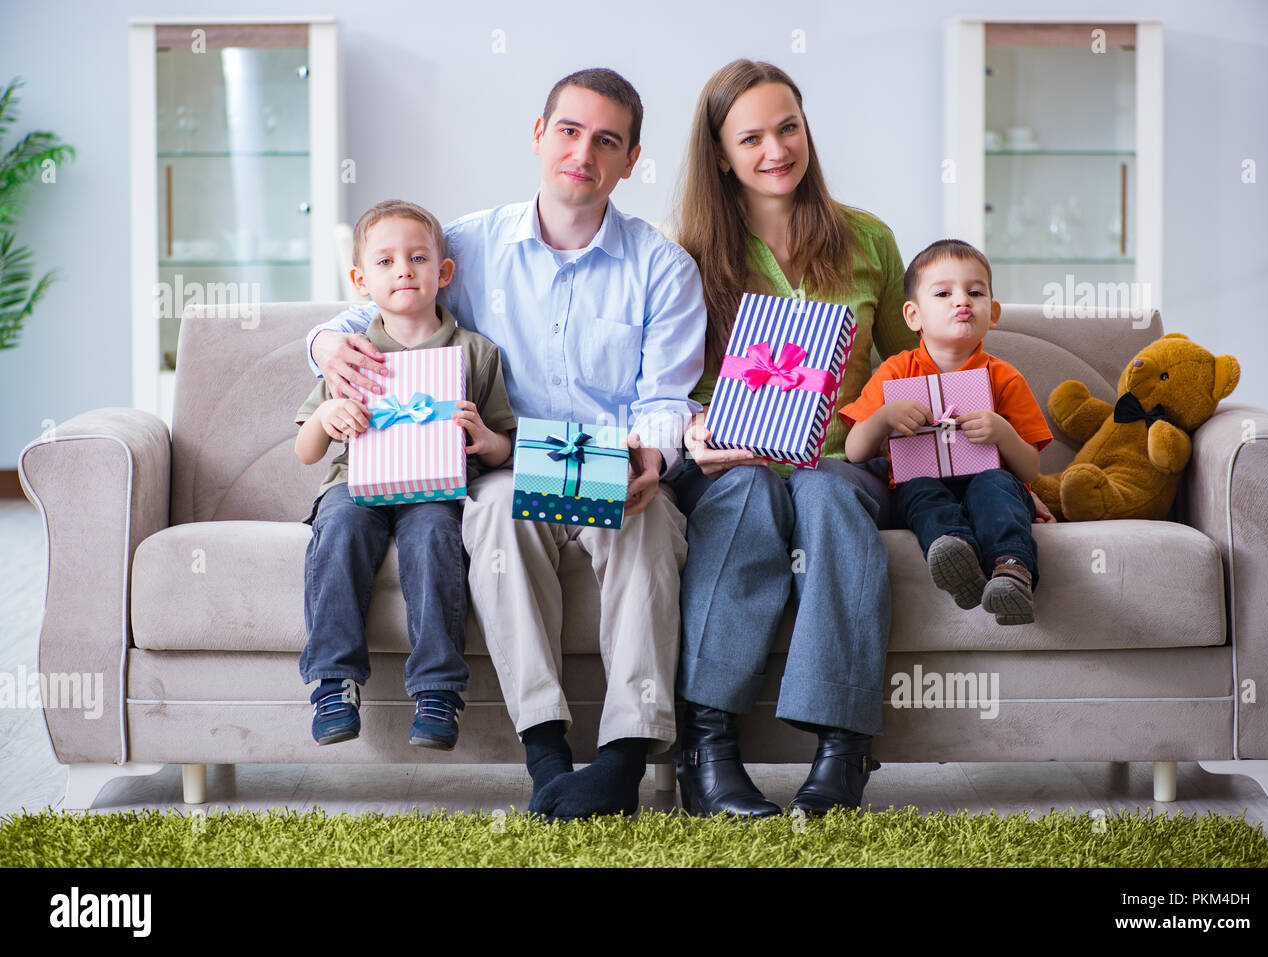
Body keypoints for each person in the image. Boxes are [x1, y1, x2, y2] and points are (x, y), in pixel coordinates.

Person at [305, 70, 705, 820]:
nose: (583, 152)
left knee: (649, 529)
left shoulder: (663, 268)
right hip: (509, 459)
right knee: (490, 517)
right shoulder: (468, 245)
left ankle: (620, 762)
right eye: (569, 130)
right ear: (538, 135)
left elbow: (663, 400)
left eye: (606, 141)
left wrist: (653, 455)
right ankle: (547, 755)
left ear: (631, 159)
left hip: (606, 458)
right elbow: (375, 309)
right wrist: (326, 343)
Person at [668, 60, 920, 817]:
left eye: (789, 128)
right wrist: (691, 426)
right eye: (752, 137)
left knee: (827, 494)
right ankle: (706, 748)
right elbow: (661, 384)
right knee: (746, 493)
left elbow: (907, 365)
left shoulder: (869, 239)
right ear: (720, 154)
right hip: (731, 463)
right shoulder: (684, 254)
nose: (776, 149)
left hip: (839, 461)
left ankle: (842, 749)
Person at [295, 199, 516, 750]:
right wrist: (326, 417)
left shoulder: (475, 353)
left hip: (434, 489)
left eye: (418, 258)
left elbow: (503, 446)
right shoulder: (352, 355)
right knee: (340, 529)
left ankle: (439, 690)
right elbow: (305, 451)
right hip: (356, 486)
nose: (403, 271)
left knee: (437, 537)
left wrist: (485, 441)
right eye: (386, 261)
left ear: (443, 272)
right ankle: (333, 682)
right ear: (361, 278)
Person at [842, 239, 1053, 625]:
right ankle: (957, 558)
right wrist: (885, 417)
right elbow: (855, 451)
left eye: (975, 292)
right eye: (943, 293)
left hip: (990, 482)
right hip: (920, 484)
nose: (963, 301)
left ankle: (1012, 572)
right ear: (913, 315)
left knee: (997, 485)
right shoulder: (894, 371)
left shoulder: (1003, 377)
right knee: (920, 491)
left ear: (993, 313)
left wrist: (1003, 432)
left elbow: (1030, 471)